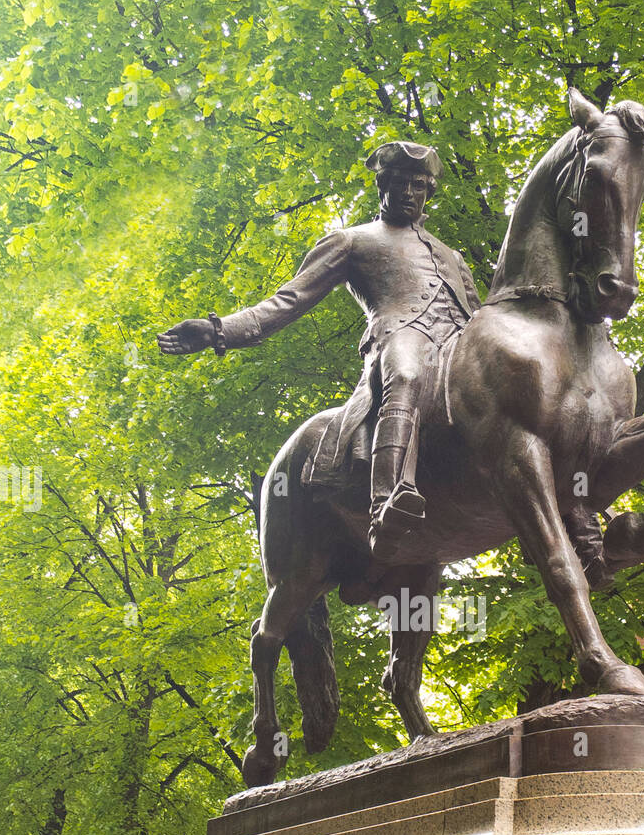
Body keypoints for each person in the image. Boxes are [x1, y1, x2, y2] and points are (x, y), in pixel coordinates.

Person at [158, 141, 481, 557]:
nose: (408, 193)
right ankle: (385, 502)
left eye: (418, 185)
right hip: (400, 336)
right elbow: (288, 300)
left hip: (457, 345)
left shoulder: (452, 257)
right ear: (382, 185)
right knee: (406, 375)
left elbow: (477, 316)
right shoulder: (351, 241)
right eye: (399, 183)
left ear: (428, 191)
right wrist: (220, 330)